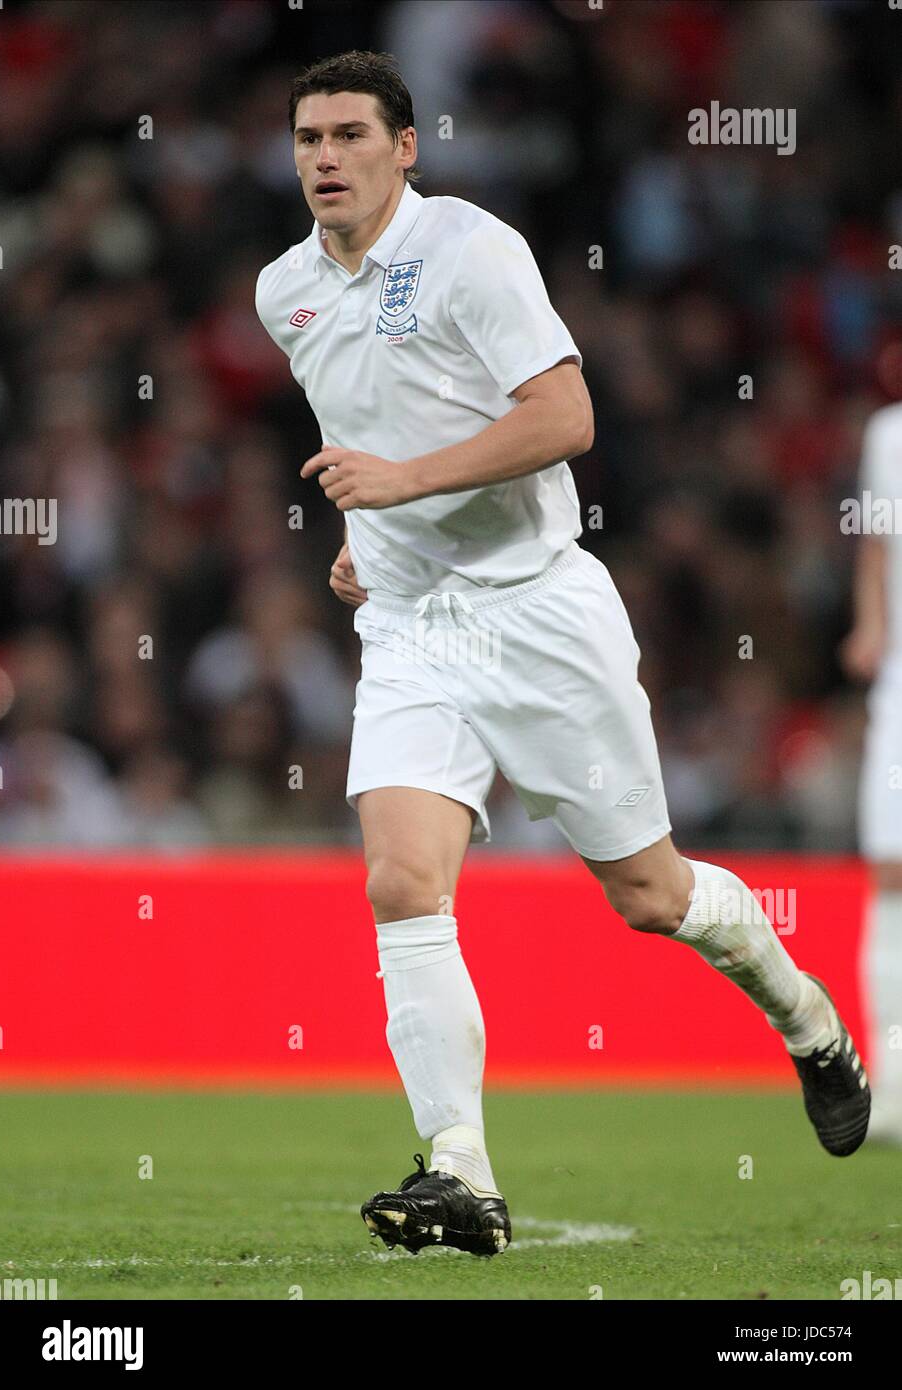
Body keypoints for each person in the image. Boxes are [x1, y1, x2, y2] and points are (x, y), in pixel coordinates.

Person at [255, 50, 870, 1259]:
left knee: (651, 895)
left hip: (536, 609)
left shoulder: (471, 251)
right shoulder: (285, 291)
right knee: (399, 881)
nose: (325, 157)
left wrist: (404, 486)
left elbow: (564, 417)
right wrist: (360, 532)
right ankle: (460, 1176)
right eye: (307, 138)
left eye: (348, 135)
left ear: (406, 146)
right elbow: (361, 435)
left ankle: (807, 1021)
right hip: (412, 623)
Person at [841, 402, 902, 1147]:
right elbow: (876, 543)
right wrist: (870, 625)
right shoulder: (888, 432)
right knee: (890, 872)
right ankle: (890, 1078)